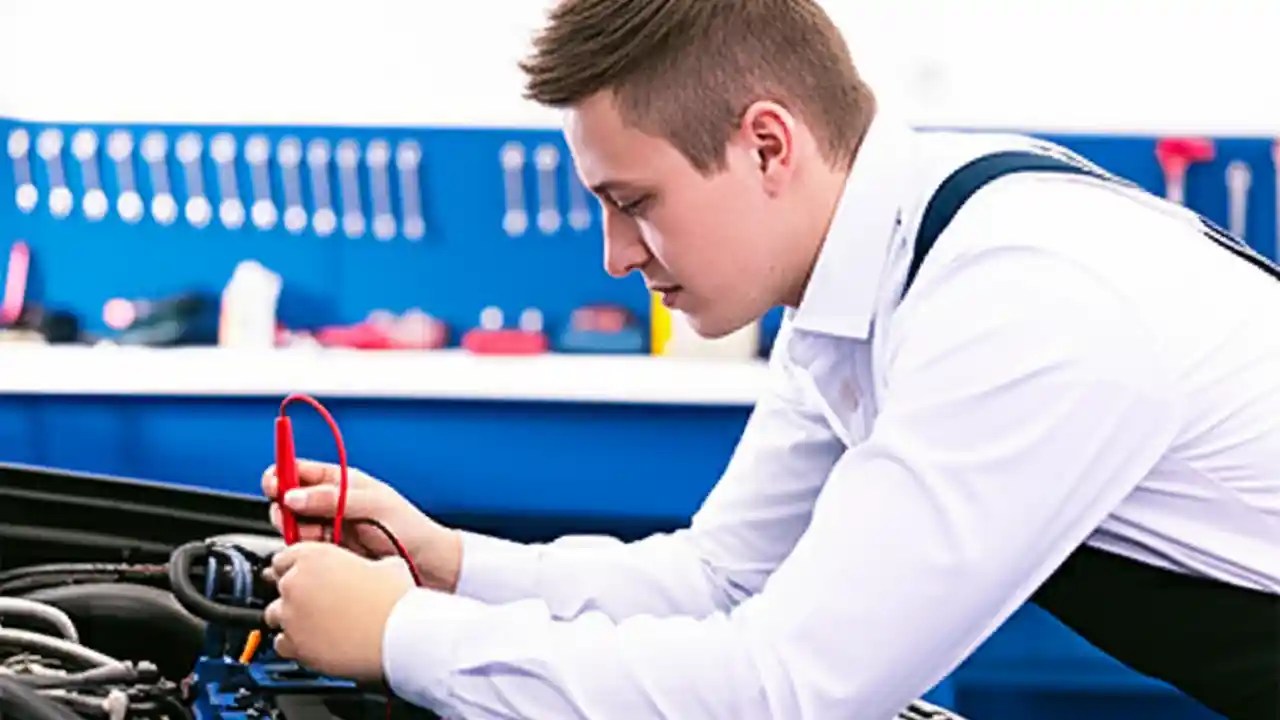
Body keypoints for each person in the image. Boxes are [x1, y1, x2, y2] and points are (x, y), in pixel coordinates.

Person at [259, 0, 1280, 718]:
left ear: (765, 145)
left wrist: (401, 639)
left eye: (633, 203)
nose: (614, 255)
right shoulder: (866, 271)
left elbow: (785, 691)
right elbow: (723, 581)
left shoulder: (1016, 301)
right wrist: (446, 566)